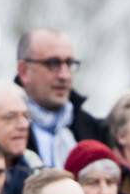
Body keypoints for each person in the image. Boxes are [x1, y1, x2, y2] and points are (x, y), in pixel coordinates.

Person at [16, 27, 106, 168]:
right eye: (53, 64)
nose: (64, 75)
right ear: (24, 71)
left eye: (69, 64)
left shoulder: (95, 131)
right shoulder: (0, 129)